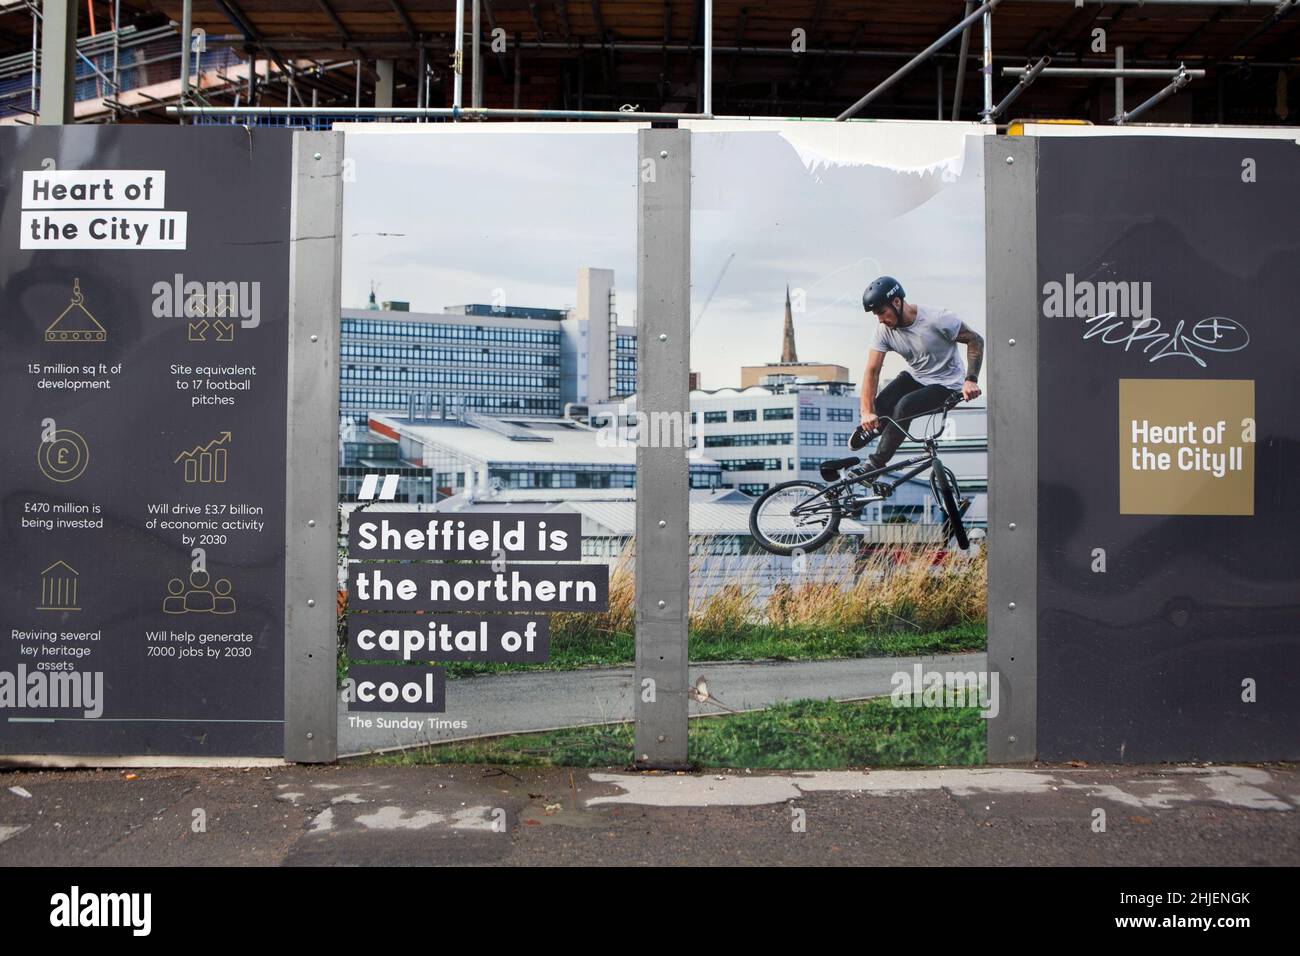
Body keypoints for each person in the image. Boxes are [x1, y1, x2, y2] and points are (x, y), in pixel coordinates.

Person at [857, 275, 983, 471]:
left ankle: (874, 465)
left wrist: (971, 380)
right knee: (881, 403)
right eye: (876, 315)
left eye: (882, 313)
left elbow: (975, 340)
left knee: (904, 407)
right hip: (917, 376)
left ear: (897, 302)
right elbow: (871, 372)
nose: (881, 320)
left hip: (948, 385)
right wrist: (866, 412)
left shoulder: (937, 318)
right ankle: (875, 426)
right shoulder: (883, 331)